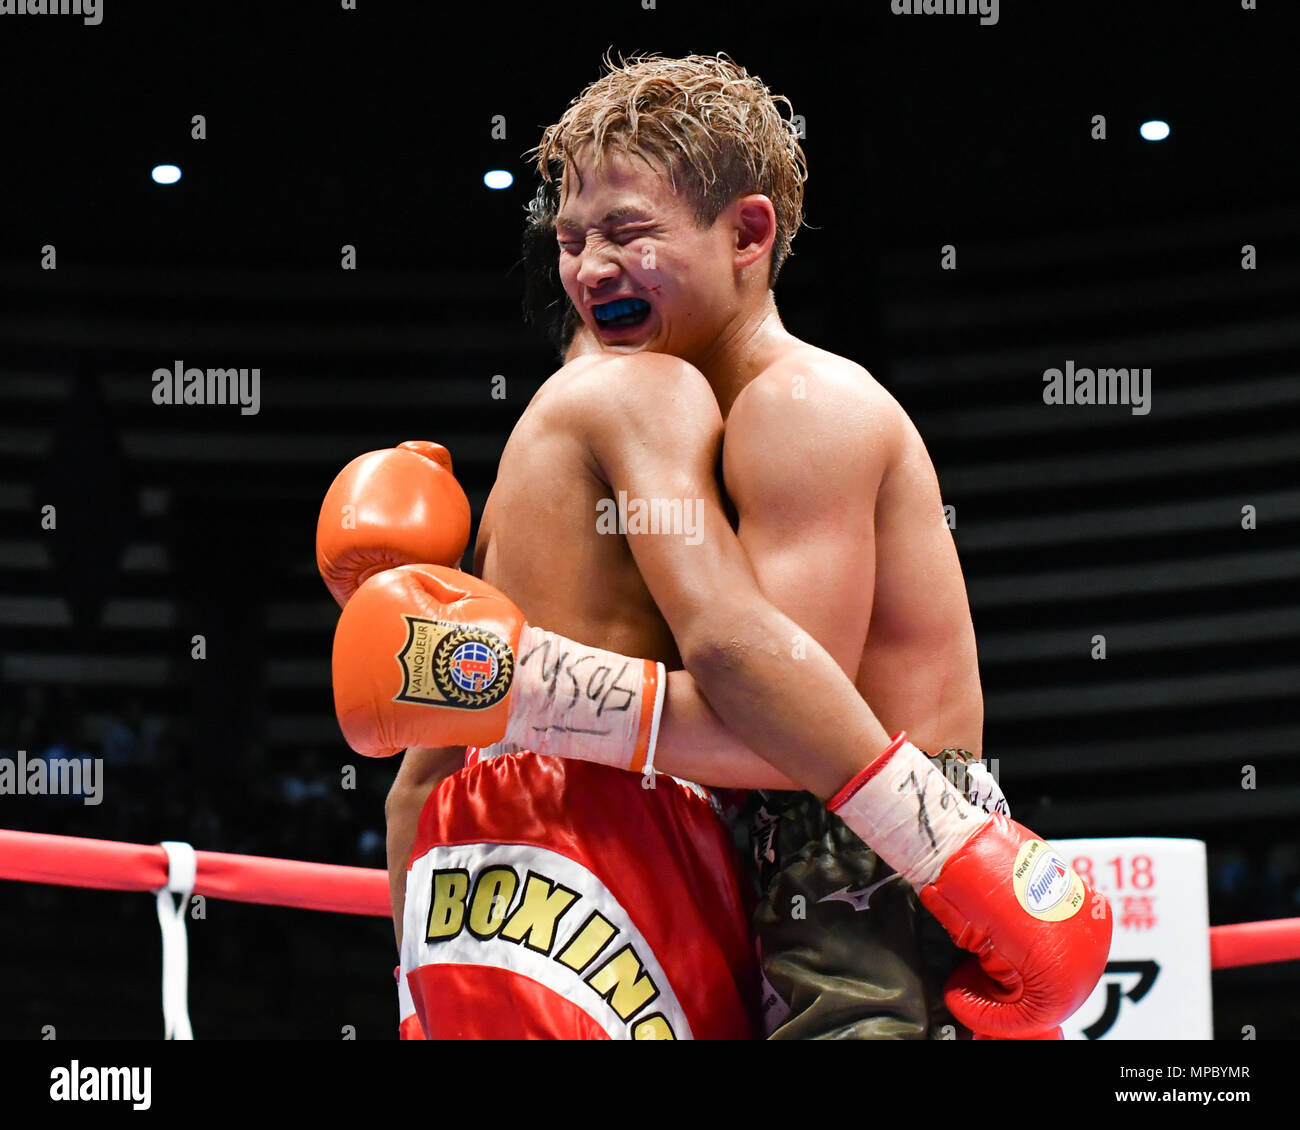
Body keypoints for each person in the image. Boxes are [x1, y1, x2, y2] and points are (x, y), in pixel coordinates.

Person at [328, 54, 1110, 1040]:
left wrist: (512, 681)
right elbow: (420, 779)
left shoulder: (800, 406)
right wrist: (422, 995)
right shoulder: (653, 428)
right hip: (753, 858)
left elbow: (769, 731)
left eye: (627, 233)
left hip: (865, 859)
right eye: (570, 239)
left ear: (746, 233)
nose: (589, 269)